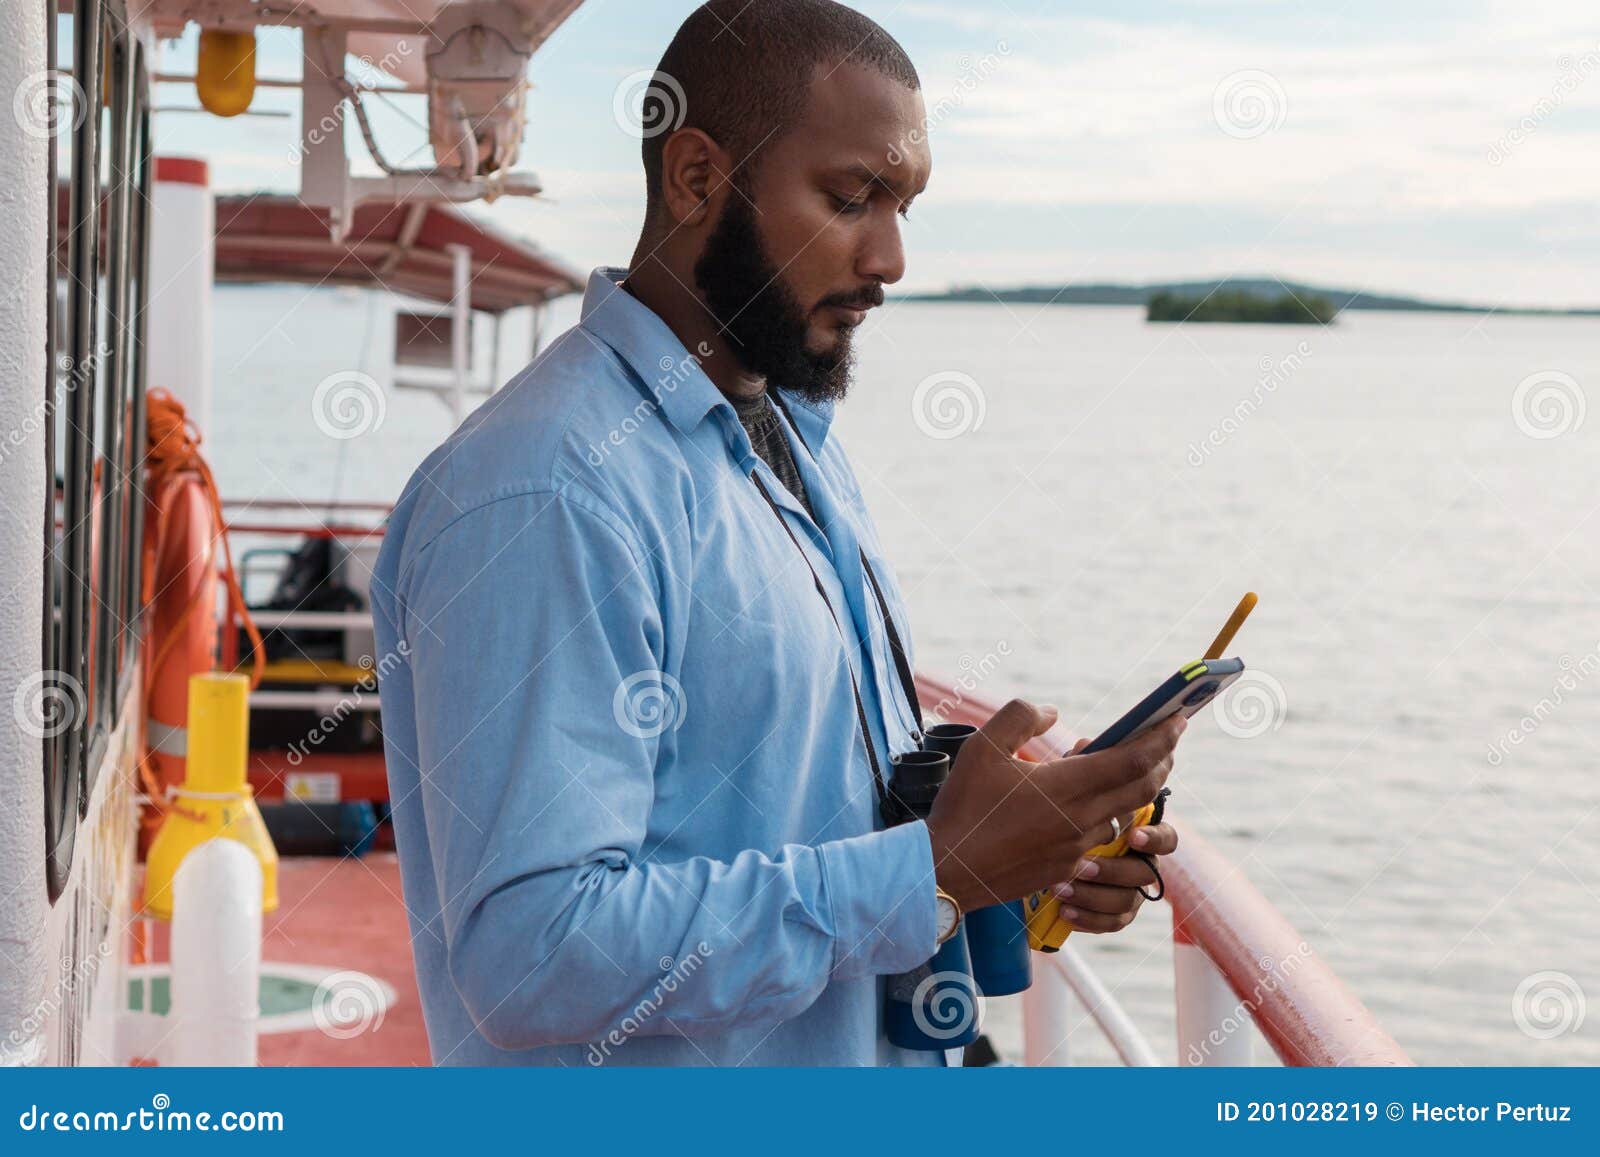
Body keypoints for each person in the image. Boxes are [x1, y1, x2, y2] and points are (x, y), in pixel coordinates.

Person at [371, 0, 1184, 1067]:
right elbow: (532, 954)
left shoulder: (786, 437)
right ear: (699, 177)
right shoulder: (544, 492)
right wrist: (933, 872)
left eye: (905, 206)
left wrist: (1019, 849)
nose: (891, 257)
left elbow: (804, 807)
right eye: (853, 199)